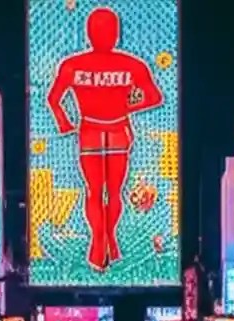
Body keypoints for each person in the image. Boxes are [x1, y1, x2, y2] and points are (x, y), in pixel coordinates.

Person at [45, 7, 164, 271]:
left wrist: (65, 121)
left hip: (92, 131)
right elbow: (154, 97)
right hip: (115, 130)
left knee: (98, 192)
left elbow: (53, 99)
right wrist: (125, 107)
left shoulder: (73, 65)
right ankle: (105, 239)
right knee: (110, 191)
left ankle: (101, 242)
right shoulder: (131, 65)